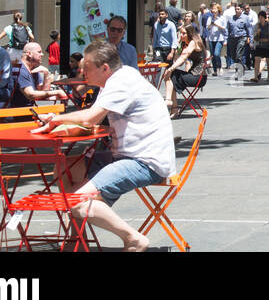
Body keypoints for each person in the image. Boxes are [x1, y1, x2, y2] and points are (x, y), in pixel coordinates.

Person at [40, 40, 176, 251]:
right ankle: (77, 238)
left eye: (86, 68)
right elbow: (94, 120)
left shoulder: (122, 82)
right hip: (122, 155)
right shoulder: (114, 80)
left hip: (144, 161)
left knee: (76, 201)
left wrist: (57, 120)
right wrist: (62, 121)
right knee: (63, 166)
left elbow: (90, 119)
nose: (81, 71)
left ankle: (133, 239)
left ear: (104, 68)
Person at [251, 9, 269, 82]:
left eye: (262, 18)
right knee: (257, 60)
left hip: (267, 45)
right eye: (259, 18)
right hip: (259, 45)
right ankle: (255, 76)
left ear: (264, 18)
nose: (260, 19)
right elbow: (255, 38)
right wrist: (257, 32)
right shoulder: (256, 26)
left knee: (268, 60)